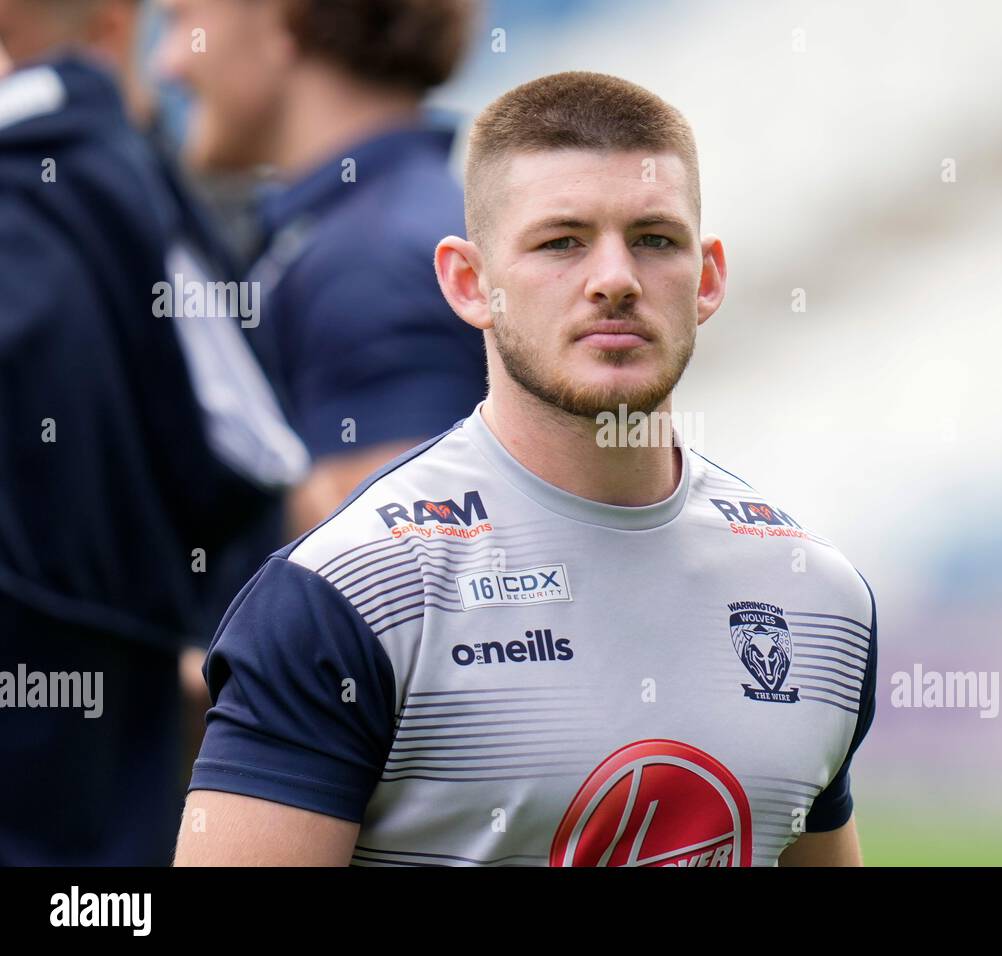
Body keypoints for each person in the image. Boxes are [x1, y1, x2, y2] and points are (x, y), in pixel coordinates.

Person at [174, 71, 879, 867]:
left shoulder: (817, 597)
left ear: (708, 276)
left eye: (654, 239)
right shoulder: (348, 595)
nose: (614, 278)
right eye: (561, 242)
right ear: (469, 284)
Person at [0, 0, 301, 864]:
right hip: (113, 791)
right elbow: (251, 451)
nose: (170, 66)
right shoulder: (120, 183)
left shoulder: (86, 180)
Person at [154, 0, 489, 535]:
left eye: (181, 19)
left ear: (281, 20)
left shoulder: (373, 256)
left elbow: (400, 563)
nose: (168, 64)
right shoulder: (377, 224)